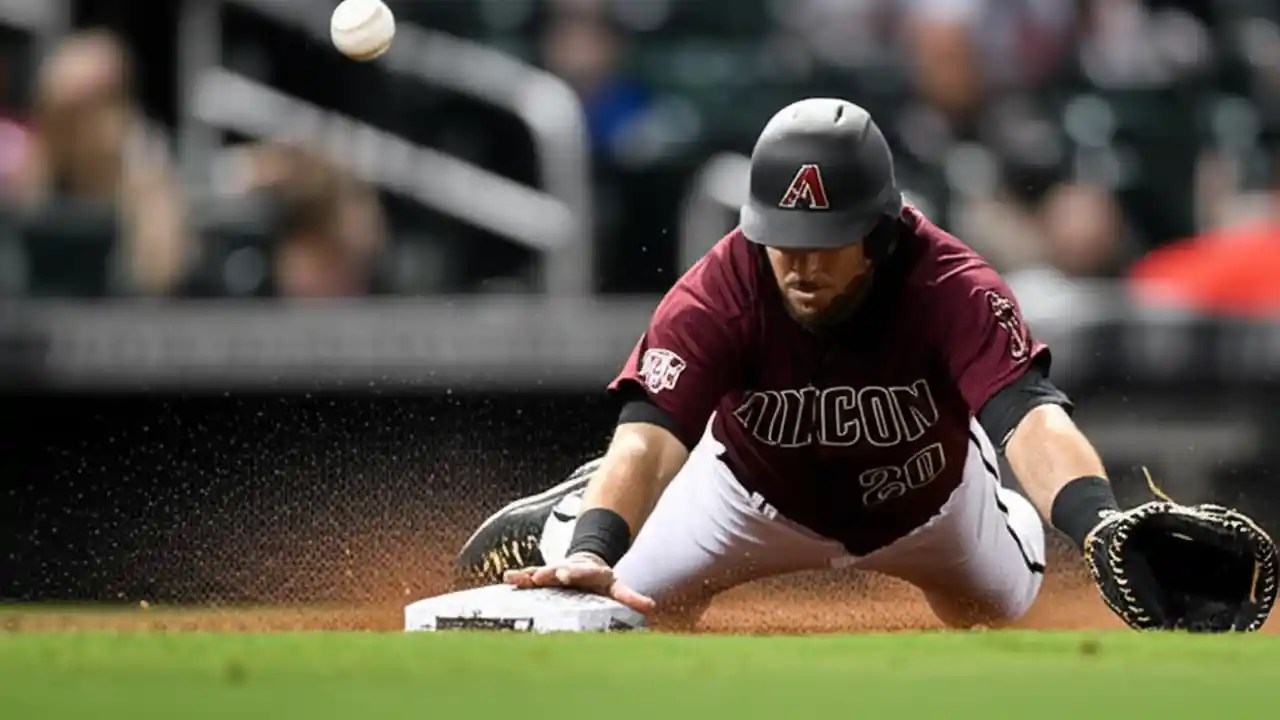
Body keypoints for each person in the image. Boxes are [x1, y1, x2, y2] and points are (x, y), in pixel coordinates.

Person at [458, 98, 1276, 632]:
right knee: (615, 601)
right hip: (741, 499)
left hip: (934, 511)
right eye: (782, 238)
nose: (800, 264)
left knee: (995, 615)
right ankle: (573, 511)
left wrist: (1097, 521)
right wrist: (596, 547)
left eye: (825, 240)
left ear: (881, 233)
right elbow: (647, 439)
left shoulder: (949, 285)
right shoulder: (721, 287)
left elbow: (1030, 417)